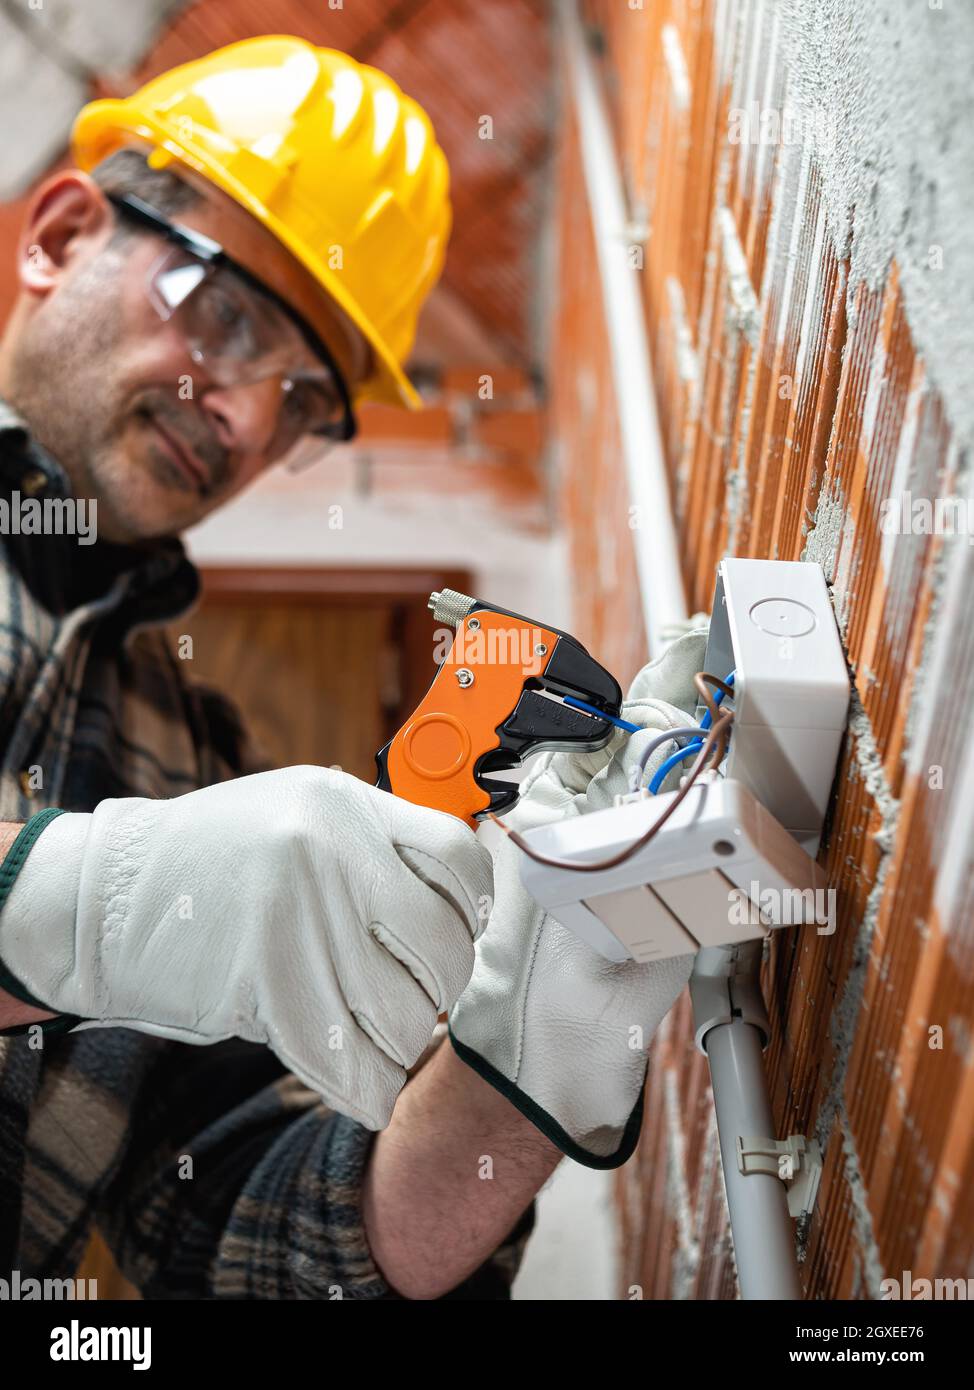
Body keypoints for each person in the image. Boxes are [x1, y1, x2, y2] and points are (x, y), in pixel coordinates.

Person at [0, 36, 694, 1300]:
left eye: (305, 401)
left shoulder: (186, 758)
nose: (251, 420)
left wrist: (521, 1066)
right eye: (225, 316)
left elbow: (255, 1251)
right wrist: (61, 903)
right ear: (55, 235)